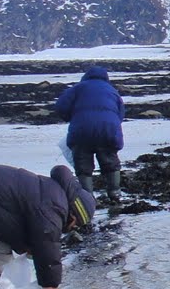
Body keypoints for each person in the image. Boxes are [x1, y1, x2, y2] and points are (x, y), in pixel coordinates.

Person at [54, 65, 126, 205]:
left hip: (82, 131)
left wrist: (70, 117)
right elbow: (121, 113)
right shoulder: (112, 91)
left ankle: (88, 199)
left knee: (83, 165)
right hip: (108, 130)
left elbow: (60, 106)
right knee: (110, 162)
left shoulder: (78, 88)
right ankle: (115, 194)